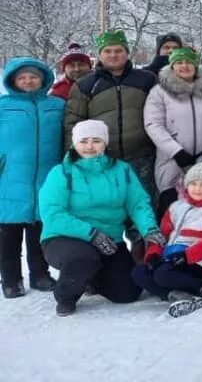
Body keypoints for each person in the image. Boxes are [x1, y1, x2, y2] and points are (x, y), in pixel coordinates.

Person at [39, 120, 163, 316]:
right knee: (84, 258)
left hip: (110, 241)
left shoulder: (122, 170)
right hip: (64, 238)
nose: (89, 146)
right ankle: (65, 297)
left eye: (96, 140)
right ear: (74, 144)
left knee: (127, 293)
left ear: (105, 143)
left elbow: (137, 203)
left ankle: (93, 277)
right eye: (84, 141)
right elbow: (53, 214)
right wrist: (92, 234)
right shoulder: (61, 173)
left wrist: (150, 229)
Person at [64, 29, 159, 259]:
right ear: (100, 55)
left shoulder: (146, 80)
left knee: (141, 211)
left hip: (141, 157)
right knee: (103, 212)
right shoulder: (86, 85)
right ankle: (101, 268)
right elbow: (73, 123)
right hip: (102, 161)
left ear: (127, 53)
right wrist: (72, 156)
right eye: (108, 51)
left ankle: (144, 262)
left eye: (119, 50)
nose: (114, 55)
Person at [132, 161, 202, 316]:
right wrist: (153, 254)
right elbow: (162, 236)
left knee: (162, 274)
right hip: (171, 259)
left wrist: (187, 256)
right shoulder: (176, 207)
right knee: (139, 272)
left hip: (199, 263)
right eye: (193, 183)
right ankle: (179, 296)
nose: (197, 188)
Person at [0, 58, 64, 297]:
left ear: (43, 79)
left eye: (33, 76)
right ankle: (10, 279)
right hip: (9, 178)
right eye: (22, 77)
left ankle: (40, 275)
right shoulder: (3, 106)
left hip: (46, 177)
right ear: (13, 81)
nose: (28, 81)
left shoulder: (56, 105)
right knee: (9, 234)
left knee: (40, 231)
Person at [144, 47, 202, 217]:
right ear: (172, 66)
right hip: (173, 163)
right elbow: (153, 124)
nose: (184, 66)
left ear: (196, 65)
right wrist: (176, 152)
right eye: (179, 62)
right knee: (172, 214)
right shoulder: (159, 92)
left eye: (189, 62)